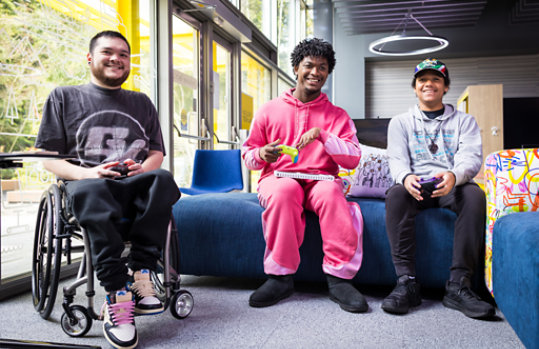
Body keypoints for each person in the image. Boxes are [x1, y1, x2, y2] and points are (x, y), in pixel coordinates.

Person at [35, 31, 180, 349]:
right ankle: (118, 295)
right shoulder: (63, 97)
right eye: (108, 52)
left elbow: (156, 152)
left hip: (132, 185)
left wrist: (144, 168)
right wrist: (87, 173)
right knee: (92, 189)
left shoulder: (142, 102)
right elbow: (48, 159)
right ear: (90, 58)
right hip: (87, 186)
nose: (116, 58)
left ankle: (142, 271)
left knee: (164, 179)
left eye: (124, 54)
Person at [242, 38, 367, 313]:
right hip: (279, 178)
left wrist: (324, 136)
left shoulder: (338, 116)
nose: (315, 72)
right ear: (297, 68)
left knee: (332, 192)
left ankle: (339, 278)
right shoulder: (268, 110)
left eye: (322, 67)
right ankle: (280, 276)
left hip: (322, 180)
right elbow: (248, 156)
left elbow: (353, 157)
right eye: (309, 65)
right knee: (284, 191)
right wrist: (263, 154)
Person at [382, 58, 495, 319]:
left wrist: (455, 176)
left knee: (475, 194)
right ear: (415, 87)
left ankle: (458, 286)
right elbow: (396, 159)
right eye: (422, 80)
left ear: (445, 87)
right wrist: (405, 177)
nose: (428, 84)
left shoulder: (464, 121)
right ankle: (406, 283)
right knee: (396, 194)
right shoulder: (400, 122)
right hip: (416, 185)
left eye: (436, 79)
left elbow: (471, 157)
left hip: (451, 184)